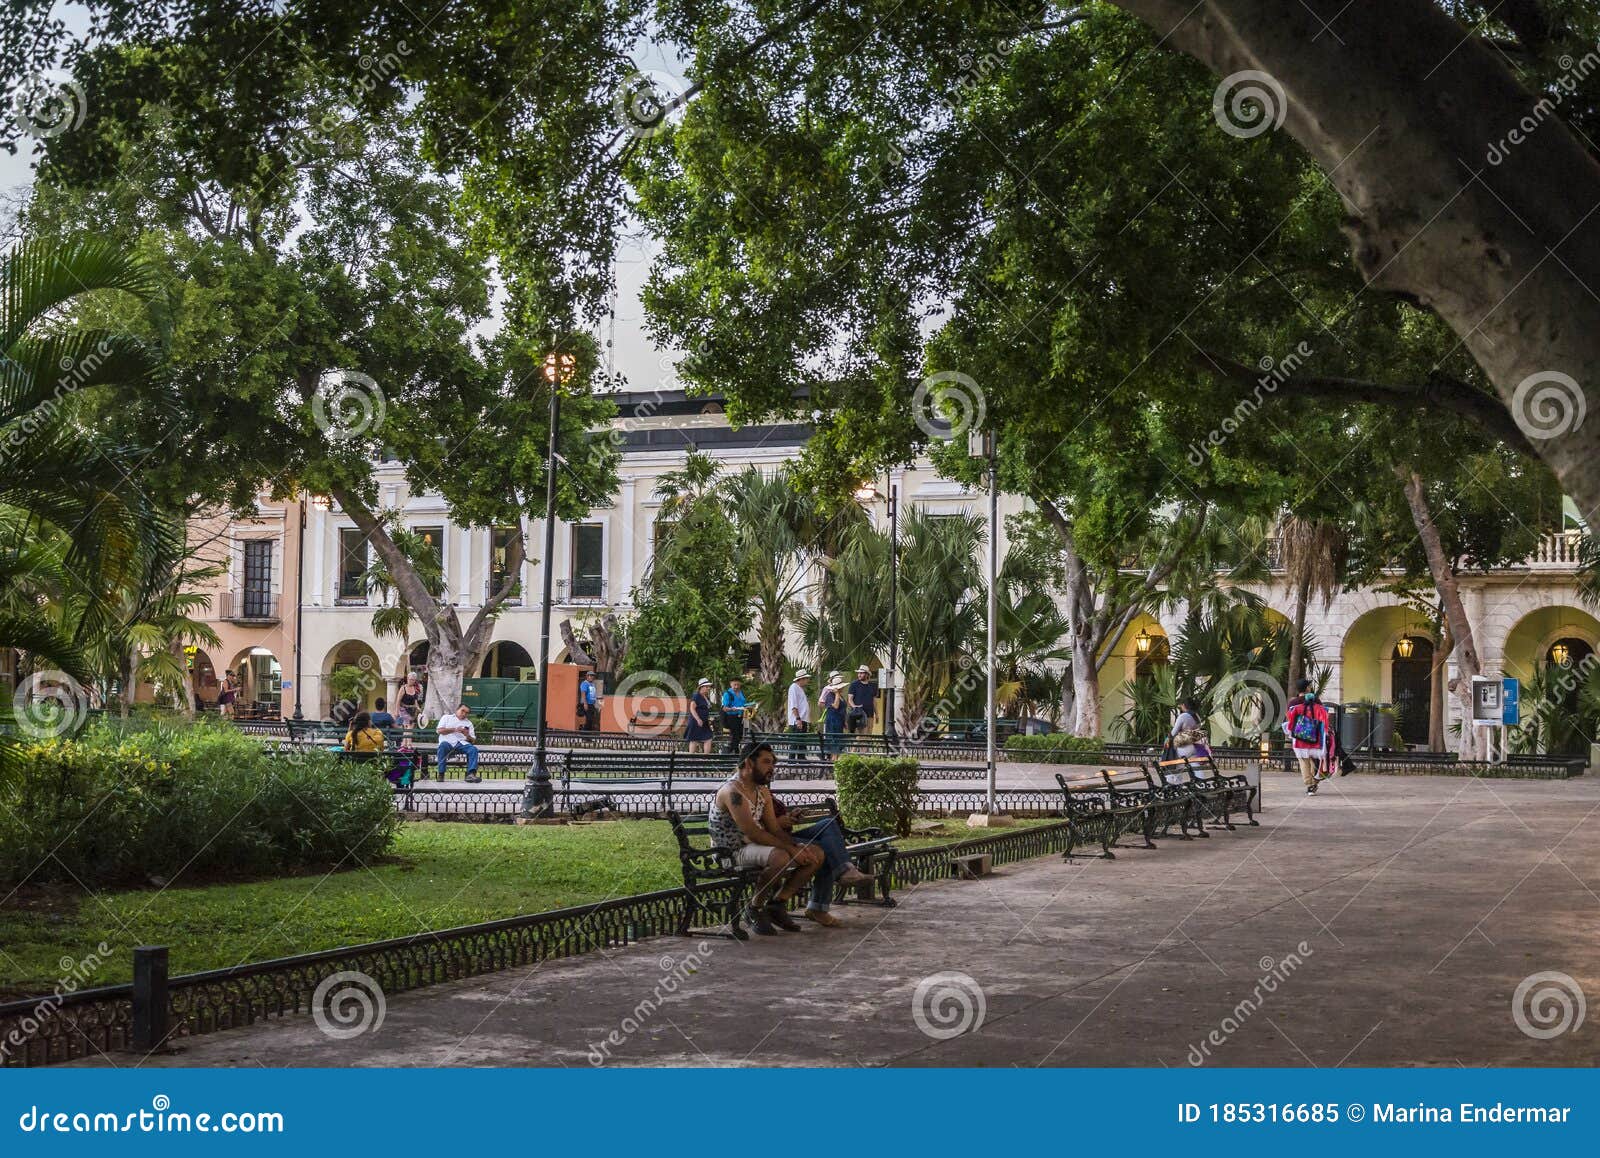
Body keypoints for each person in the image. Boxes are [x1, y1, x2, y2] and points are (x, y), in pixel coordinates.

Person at [707, 742, 824, 935]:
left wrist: (797, 847)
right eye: (766, 762)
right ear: (749, 763)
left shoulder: (762, 791)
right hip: (730, 852)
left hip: (752, 846)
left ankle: (777, 904)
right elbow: (753, 832)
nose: (772, 768)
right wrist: (791, 849)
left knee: (815, 854)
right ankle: (754, 908)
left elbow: (774, 829)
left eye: (773, 763)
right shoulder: (732, 792)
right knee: (780, 857)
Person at [771, 795, 876, 927]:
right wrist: (778, 823)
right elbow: (754, 827)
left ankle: (845, 871)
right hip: (772, 840)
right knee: (828, 848)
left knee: (828, 823)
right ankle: (818, 907)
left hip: (785, 835)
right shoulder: (751, 793)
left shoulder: (762, 790)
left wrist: (790, 816)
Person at [1283, 679, 1335, 794]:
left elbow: (1289, 719)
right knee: (1315, 760)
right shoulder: (1316, 700)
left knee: (1303, 760)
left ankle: (1310, 784)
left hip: (1299, 737)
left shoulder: (1293, 703)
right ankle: (1314, 782)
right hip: (1315, 736)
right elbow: (1323, 716)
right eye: (1309, 686)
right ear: (1307, 688)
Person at [437, 704, 481, 783]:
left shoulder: (469, 723)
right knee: (442, 746)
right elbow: (439, 731)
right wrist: (455, 729)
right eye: (462, 711)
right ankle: (441, 773)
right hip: (447, 742)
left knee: (473, 749)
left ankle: (471, 774)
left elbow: (473, 740)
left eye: (466, 713)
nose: (464, 714)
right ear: (457, 710)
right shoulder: (446, 718)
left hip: (461, 744)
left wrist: (467, 735)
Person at [786, 669, 813, 762]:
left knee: (802, 742)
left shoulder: (800, 689)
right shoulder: (794, 687)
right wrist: (798, 719)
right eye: (806, 679)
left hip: (803, 719)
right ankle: (792, 761)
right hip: (797, 720)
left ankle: (801, 759)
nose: (807, 681)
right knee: (795, 741)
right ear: (801, 679)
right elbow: (794, 705)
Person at [820, 671, 848, 759]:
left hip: (840, 721)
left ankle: (836, 759)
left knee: (839, 742)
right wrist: (836, 693)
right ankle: (833, 760)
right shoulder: (830, 695)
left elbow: (843, 708)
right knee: (834, 742)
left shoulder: (841, 696)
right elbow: (835, 706)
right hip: (833, 721)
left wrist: (845, 721)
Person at [685, 678, 716, 753]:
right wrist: (698, 719)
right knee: (694, 740)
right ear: (701, 687)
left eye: (709, 687)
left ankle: (706, 757)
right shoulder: (696, 696)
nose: (708, 688)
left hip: (704, 722)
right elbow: (692, 708)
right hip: (696, 721)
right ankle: (691, 757)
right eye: (706, 687)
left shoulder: (705, 696)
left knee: (708, 738)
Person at [846, 665, 876, 734]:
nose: (859, 675)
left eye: (861, 673)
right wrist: (855, 707)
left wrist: (876, 714)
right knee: (860, 735)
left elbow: (874, 700)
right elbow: (850, 699)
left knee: (869, 733)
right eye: (859, 673)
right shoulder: (854, 684)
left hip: (870, 714)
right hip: (858, 714)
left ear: (867, 674)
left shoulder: (872, 686)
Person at [720, 677, 747, 754]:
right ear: (731, 684)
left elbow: (743, 704)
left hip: (740, 716)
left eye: (738, 685)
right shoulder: (727, 694)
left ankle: (734, 750)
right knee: (735, 735)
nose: (736, 687)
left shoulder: (741, 693)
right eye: (734, 685)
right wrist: (732, 709)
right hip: (731, 717)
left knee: (740, 734)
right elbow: (724, 708)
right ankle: (731, 751)